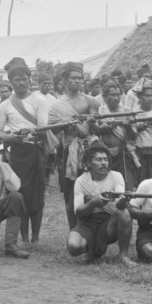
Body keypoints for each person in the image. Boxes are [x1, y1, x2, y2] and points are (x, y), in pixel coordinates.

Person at [0, 57, 50, 244]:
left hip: (35, 152)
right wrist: (11, 137)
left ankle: (35, 237)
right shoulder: (5, 105)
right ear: (11, 82)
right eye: (17, 79)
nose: (21, 82)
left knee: (37, 193)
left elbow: (43, 128)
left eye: (24, 78)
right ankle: (23, 236)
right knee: (19, 193)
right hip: (17, 154)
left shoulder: (39, 100)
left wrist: (32, 133)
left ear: (29, 80)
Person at [47, 61, 100, 228]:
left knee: (94, 189)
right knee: (71, 193)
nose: (78, 81)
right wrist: (65, 123)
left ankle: (94, 228)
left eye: (80, 78)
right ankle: (74, 230)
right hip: (69, 152)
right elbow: (52, 131)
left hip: (91, 150)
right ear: (64, 81)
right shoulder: (56, 106)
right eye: (74, 78)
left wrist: (90, 123)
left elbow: (96, 128)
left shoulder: (91, 101)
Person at [66, 142, 136, 267]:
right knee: (73, 247)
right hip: (88, 222)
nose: (104, 163)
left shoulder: (116, 176)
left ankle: (123, 255)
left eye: (106, 159)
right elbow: (78, 212)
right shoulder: (81, 180)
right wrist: (93, 202)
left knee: (124, 214)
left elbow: (119, 205)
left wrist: (123, 201)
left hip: (110, 222)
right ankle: (91, 249)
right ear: (88, 163)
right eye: (99, 159)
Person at [96, 81, 140, 190]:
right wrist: (106, 128)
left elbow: (134, 136)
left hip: (124, 156)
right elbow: (95, 132)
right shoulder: (100, 112)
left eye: (118, 95)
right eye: (112, 95)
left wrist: (128, 126)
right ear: (105, 97)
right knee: (107, 187)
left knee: (126, 186)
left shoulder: (127, 112)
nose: (116, 98)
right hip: (105, 155)